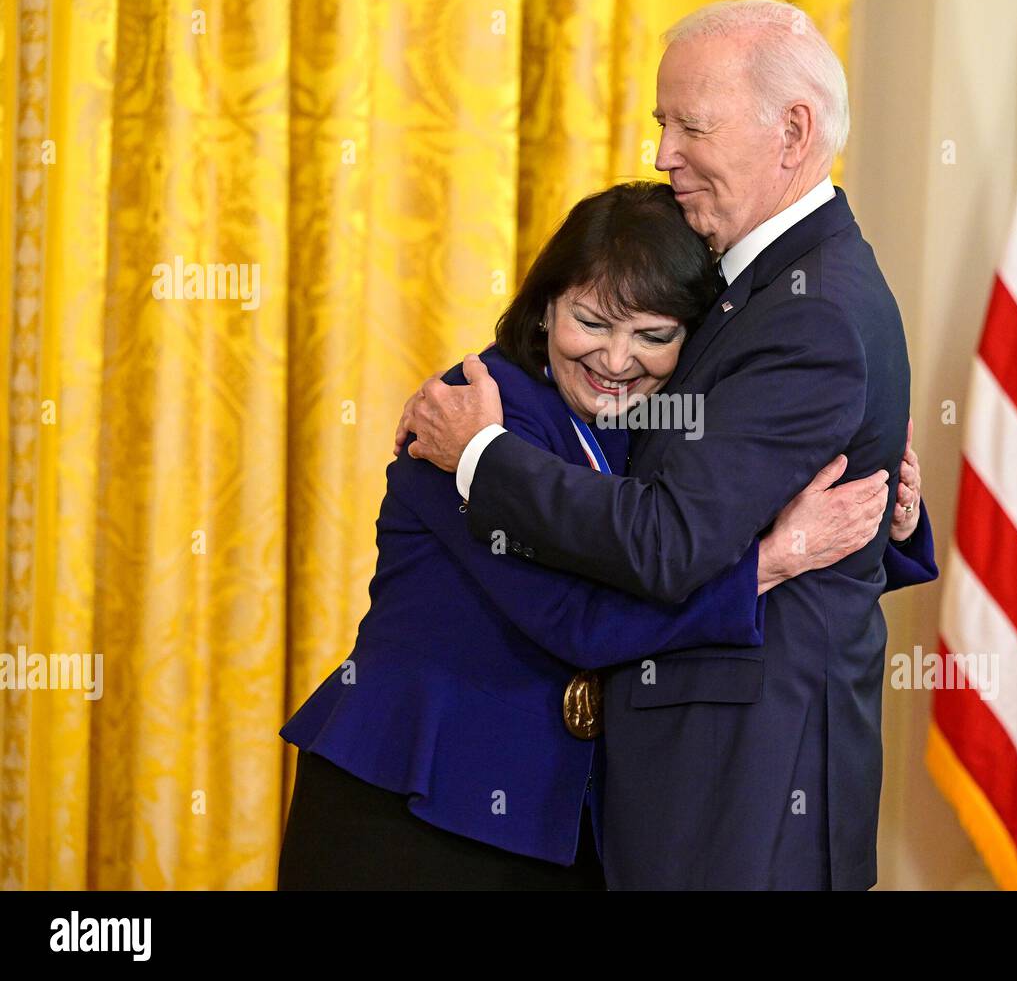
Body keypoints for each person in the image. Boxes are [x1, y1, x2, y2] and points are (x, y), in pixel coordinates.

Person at [395, 0, 936, 890]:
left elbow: (666, 535)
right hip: (640, 792)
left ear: (792, 132)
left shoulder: (807, 307)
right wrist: (860, 527)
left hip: (744, 788)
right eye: (661, 124)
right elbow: (691, 468)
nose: (662, 154)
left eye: (690, 125)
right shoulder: (759, 284)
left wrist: (480, 457)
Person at [276, 180, 897, 891]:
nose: (616, 359)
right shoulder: (467, 421)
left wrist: (891, 508)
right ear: (545, 308)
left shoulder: (650, 426)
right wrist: (769, 563)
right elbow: (576, 621)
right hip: (411, 813)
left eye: (655, 335)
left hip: (566, 827)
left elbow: (714, 513)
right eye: (593, 322)